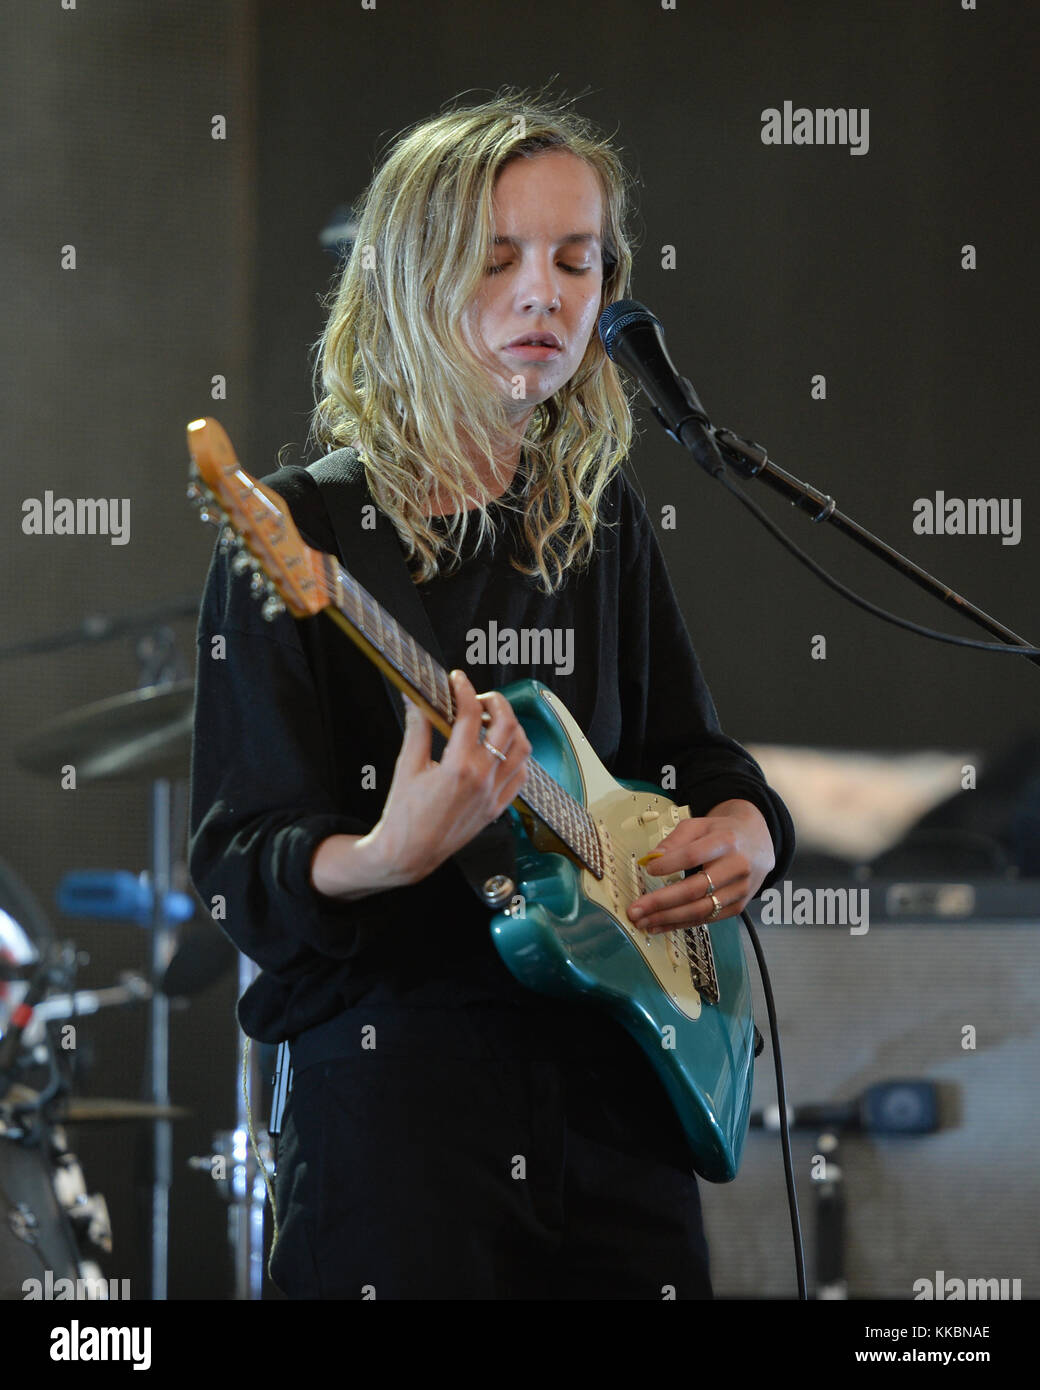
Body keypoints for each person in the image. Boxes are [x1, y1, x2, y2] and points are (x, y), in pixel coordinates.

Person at [189, 89, 795, 1301]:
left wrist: (751, 832)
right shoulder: (304, 534)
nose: (546, 293)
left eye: (578, 260)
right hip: (405, 1111)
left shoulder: (600, 523)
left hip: (622, 1099)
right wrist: (382, 851)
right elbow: (236, 861)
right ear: (412, 278)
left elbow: (693, 758)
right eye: (497, 256)